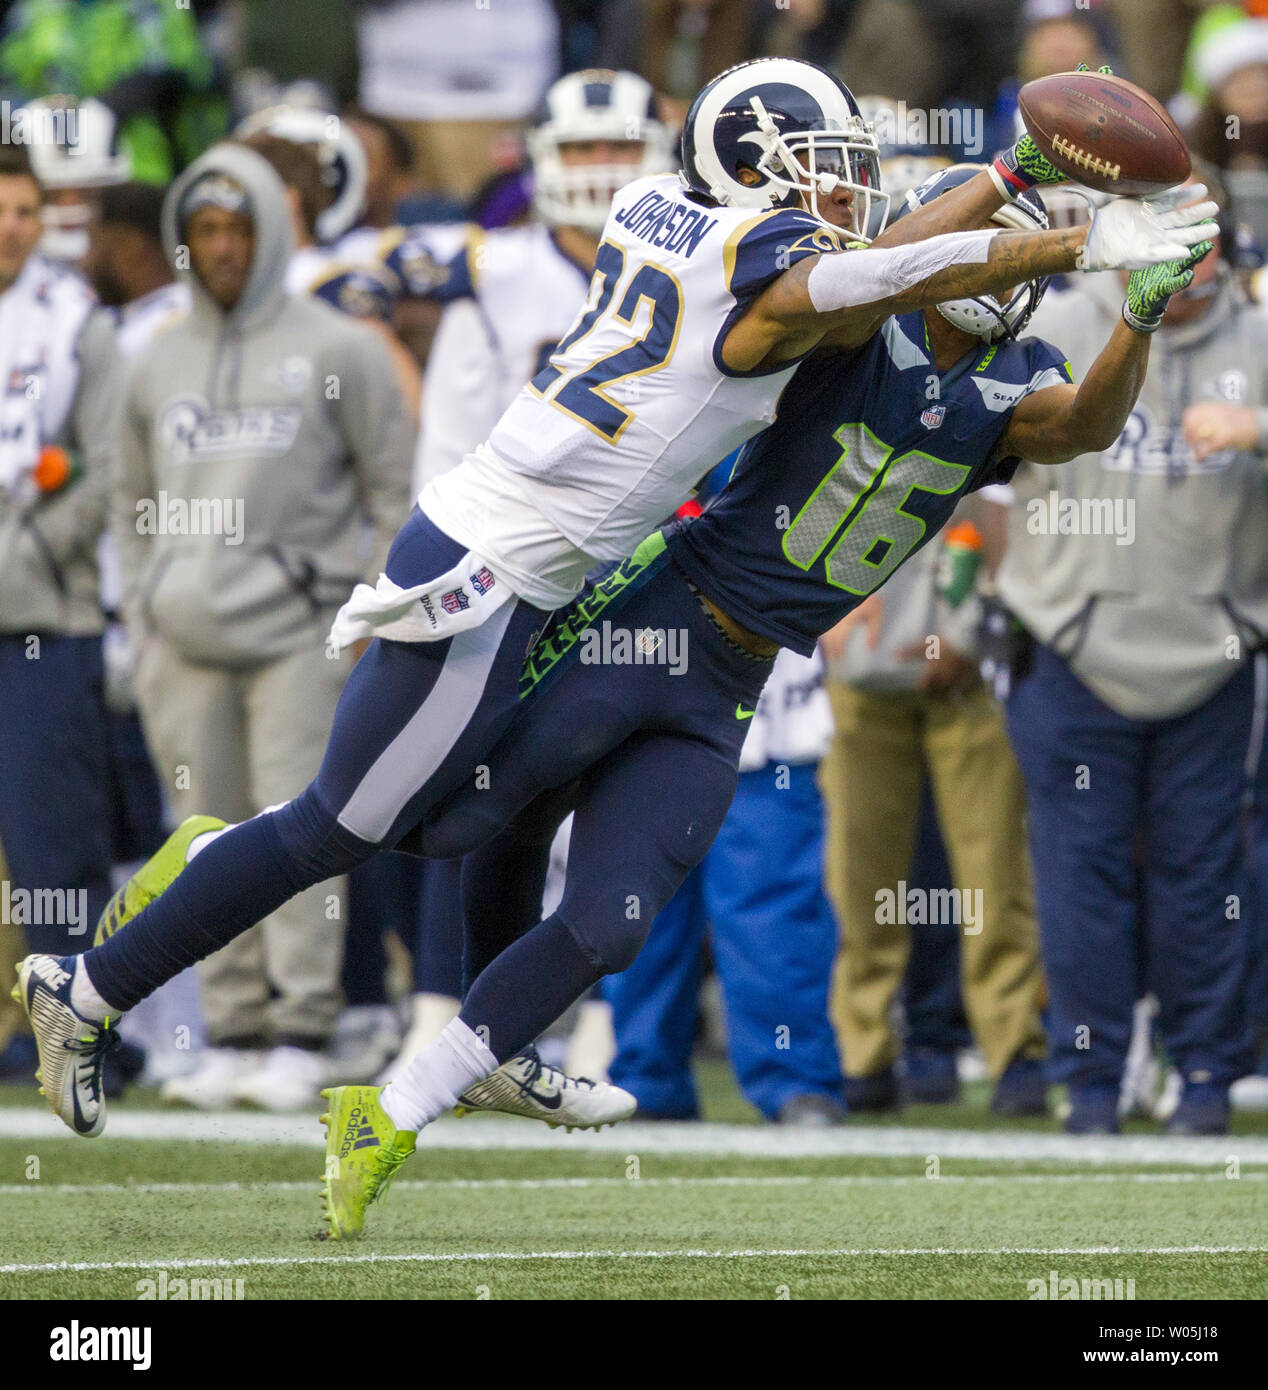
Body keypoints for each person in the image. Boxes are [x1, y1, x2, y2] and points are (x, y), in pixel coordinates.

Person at [11, 55, 1211, 1174]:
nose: (847, 188)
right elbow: (876, 277)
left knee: (437, 817)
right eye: (824, 162)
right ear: (755, 163)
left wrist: (1067, 246)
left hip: (534, 562)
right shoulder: (768, 278)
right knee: (354, 826)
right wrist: (1044, 222)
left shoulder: (671, 215)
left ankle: (357, 965)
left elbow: (881, 284)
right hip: (504, 564)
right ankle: (95, 983)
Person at [103, 143, 415, 1113]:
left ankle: (301, 1029)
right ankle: (230, 1031)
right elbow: (128, 498)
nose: (224, 247)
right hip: (184, 643)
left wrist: (368, 609)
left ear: (273, 233)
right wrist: (147, 608)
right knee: (202, 838)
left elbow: (395, 490)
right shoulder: (153, 358)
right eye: (206, 230)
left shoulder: (339, 348)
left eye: (241, 228)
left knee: (295, 837)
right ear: (183, 241)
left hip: (299, 638)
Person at [997, 172, 1268, 1135]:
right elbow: (976, 461)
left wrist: (1260, 429)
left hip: (1215, 650)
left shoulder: (1259, 333)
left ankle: (1202, 1075)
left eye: (1194, 244)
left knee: (1204, 879)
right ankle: (1094, 1076)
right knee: (1079, 878)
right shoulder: (1058, 319)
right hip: (1071, 641)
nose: (1177, 268)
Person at [0, 143, 123, 967]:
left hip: (44, 615)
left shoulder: (82, 318)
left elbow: (109, 466)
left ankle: (77, 1031)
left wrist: (30, 550)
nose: (11, 229)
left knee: (54, 843)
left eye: (25, 212)